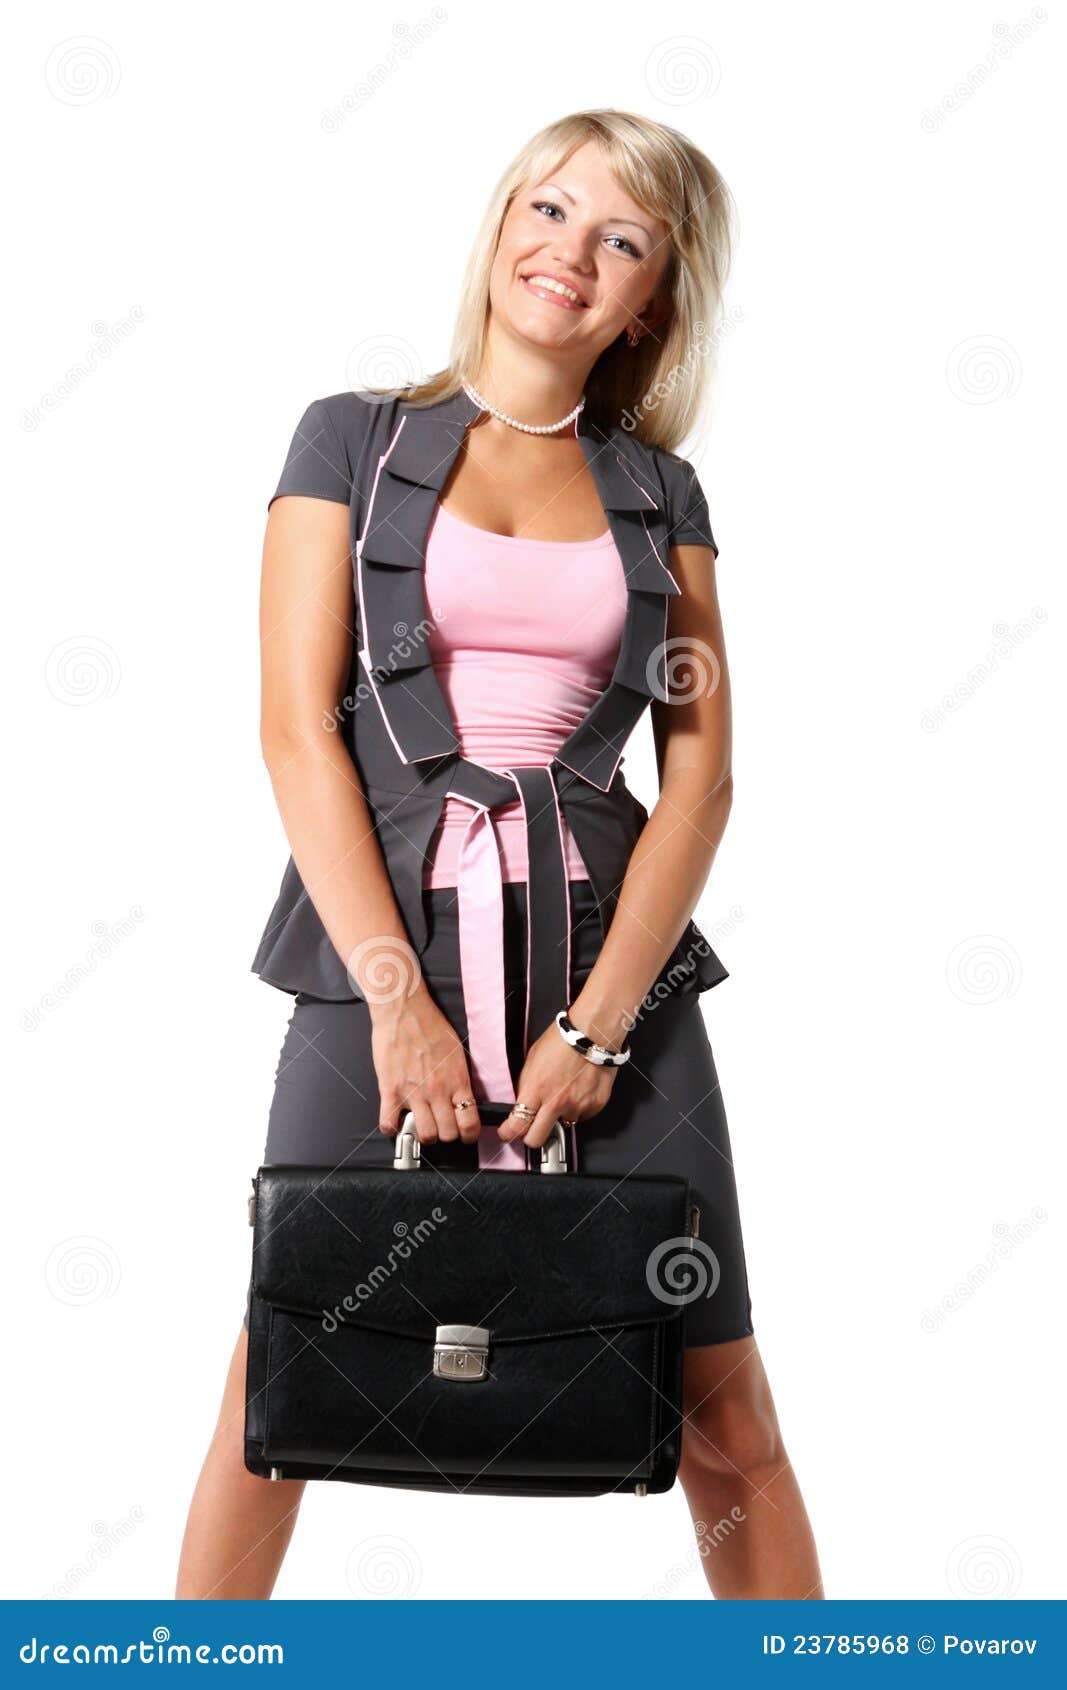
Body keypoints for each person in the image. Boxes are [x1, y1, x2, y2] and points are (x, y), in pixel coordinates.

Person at [176, 108, 823, 1600]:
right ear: (497, 227)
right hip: (376, 943)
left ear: (654, 293)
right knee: (276, 1391)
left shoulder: (664, 491)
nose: (568, 252)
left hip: (619, 965)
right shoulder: (349, 436)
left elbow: (703, 769)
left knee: (729, 1421)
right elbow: (295, 731)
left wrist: (600, 1018)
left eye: (620, 237)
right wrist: (398, 997)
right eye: (546, 208)